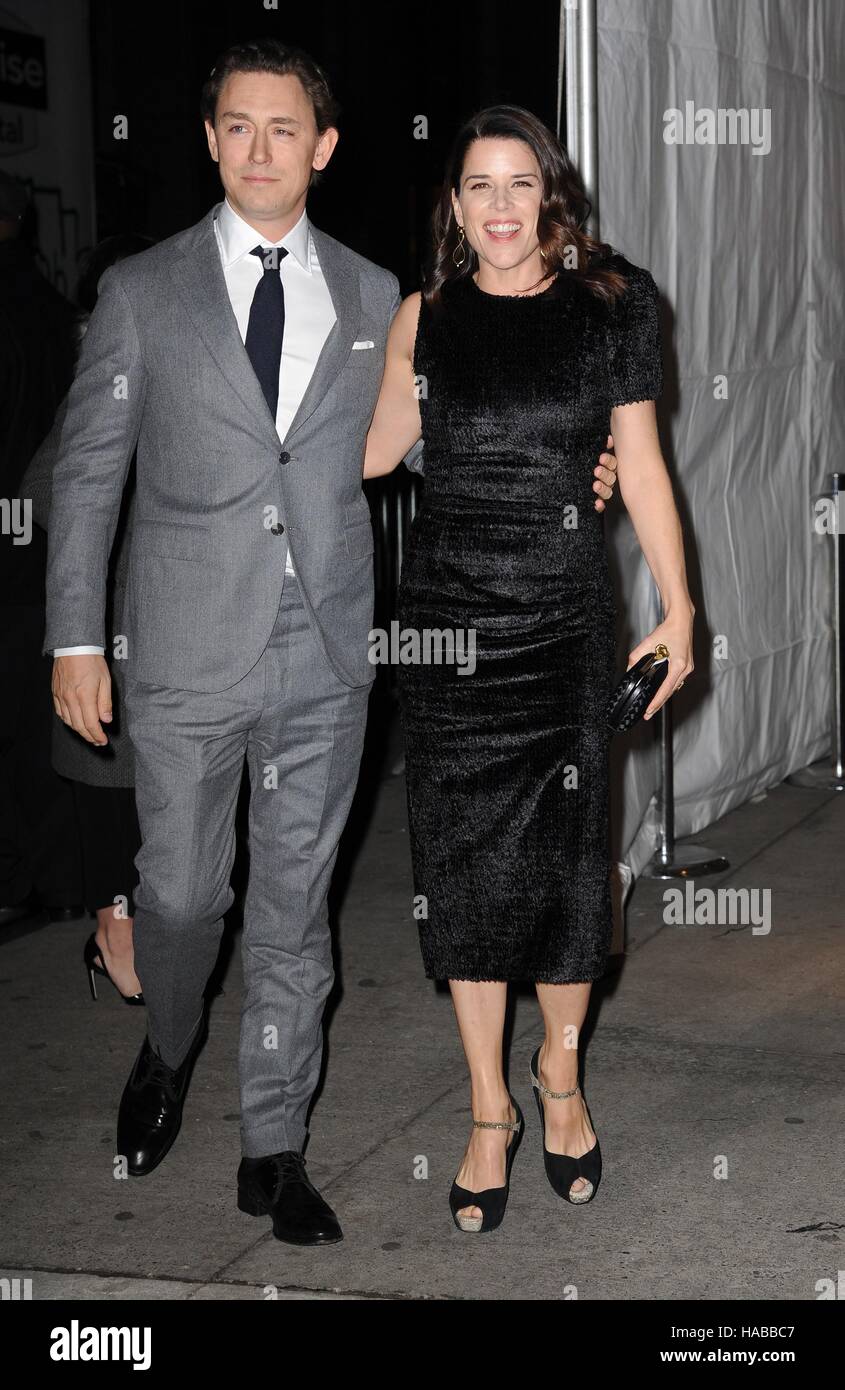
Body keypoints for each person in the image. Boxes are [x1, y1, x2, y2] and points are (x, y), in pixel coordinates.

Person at [45, 41, 620, 1247]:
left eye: (285, 128)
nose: (261, 148)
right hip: (188, 652)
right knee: (187, 896)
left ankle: (273, 1147)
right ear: (210, 141)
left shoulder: (374, 297)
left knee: (297, 917)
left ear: (325, 147)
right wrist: (74, 638)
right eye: (238, 127)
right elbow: (89, 474)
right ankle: (164, 1043)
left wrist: (581, 460)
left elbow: (447, 436)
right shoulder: (144, 292)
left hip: (327, 660)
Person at [363, 105, 695, 1232]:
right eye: (476, 186)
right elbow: (363, 452)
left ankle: (559, 1079)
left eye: (519, 184)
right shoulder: (424, 318)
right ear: (452, 207)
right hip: (450, 636)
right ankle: (485, 1107)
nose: (499, 207)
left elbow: (641, 468)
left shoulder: (613, 306)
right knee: (462, 882)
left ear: (549, 196)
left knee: (561, 880)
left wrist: (678, 605)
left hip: (562, 628)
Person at [22, 235, 155, 1004]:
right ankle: (112, 935)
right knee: (111, 789)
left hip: (181, 622)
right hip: (108, 622)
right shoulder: (105, 374)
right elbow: (45, 487)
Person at [0, 171, 83, 924]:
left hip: (17, 543)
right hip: (52, 547)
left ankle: (31, 878)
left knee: (21, 725)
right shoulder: (58, 313)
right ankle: (56, 880)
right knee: (41, 722)